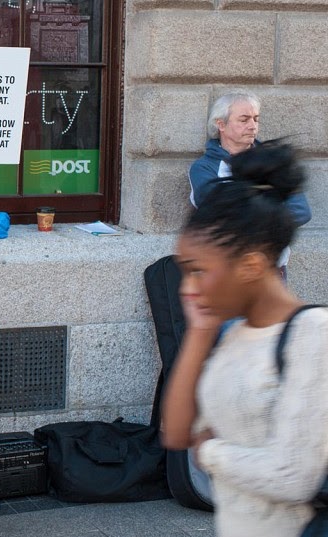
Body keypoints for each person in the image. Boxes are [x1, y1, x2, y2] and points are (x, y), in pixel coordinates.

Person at [162, 142, 328, 536]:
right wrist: (200, 333)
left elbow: (291, 476)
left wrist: (212, 452)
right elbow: (178, 431)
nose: (188, 288)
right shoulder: (234, 335)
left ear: (251, 265)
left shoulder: (314, 334)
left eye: (199, 271)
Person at [189, 89, 311, 270]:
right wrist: (271, 210)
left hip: (271, 269)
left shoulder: (274, 162)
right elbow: (215, 214)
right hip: (226, 271)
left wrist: (246, 218)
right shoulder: (204, 168)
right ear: (221, 124)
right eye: (244, 119)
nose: (253, 126)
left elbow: (301, 212)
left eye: (256, 118)